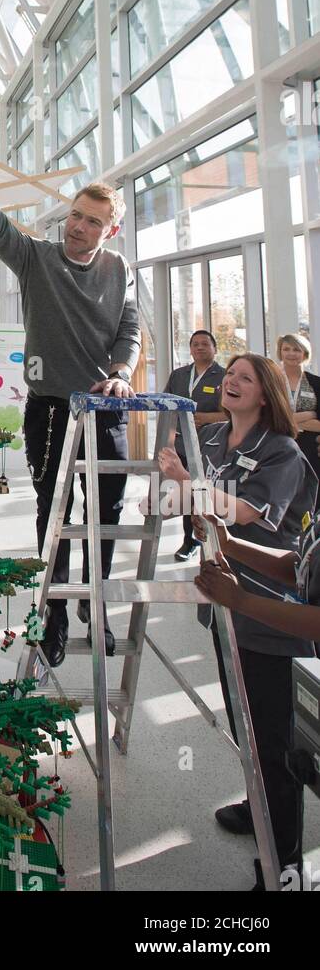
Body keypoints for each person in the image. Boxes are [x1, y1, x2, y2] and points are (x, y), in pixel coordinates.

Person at [0, 154, 141, 667]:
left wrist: (121, 372)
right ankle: (54, 614)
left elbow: (129, 329)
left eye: (93, 220)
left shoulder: (119, 270)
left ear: (109, 230)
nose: (79, 226)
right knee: (54, 513)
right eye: (76, 214)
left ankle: (95, 603)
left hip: (104, 408)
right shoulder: (37, 258)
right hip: (50, 409)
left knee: (107, 512)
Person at [154, 353, 315, 889]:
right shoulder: (217, 439)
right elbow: (199, 502)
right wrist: (165, 494)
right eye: (230, 376)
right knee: (247, 725)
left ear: (267, 393)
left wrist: (184, 481)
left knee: (274, 740)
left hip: (269, 612)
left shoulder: (283, 452)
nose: (232, 382)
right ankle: (257, 803)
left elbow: (246, 513)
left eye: (245, 378)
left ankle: (283, 861)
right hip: (223, 604)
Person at [163, 330, 228, 561]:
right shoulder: (179, 375)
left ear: (215, 349)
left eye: (205, 344)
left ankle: (218, 542)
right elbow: (166, 410)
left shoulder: (224, 376)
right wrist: (167, 442)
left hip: (212, 445)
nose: (200, 348)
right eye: (195, 344)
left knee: (208, 493)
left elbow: (231, 413)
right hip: (181, 445)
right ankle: (189, 541)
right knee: (186, 493)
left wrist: (206, 418)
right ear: (190, 349)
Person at [276, 332, 320, 484]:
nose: (291, 353)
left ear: (305, 354)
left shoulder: (316, 383)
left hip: (312, 450)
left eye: (296, 350)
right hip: (278, 446)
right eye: (286, 349)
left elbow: (278, 419)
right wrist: (311, 414)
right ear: (280, 352)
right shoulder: (271, 382)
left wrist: (285, 419)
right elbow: (269, 417)